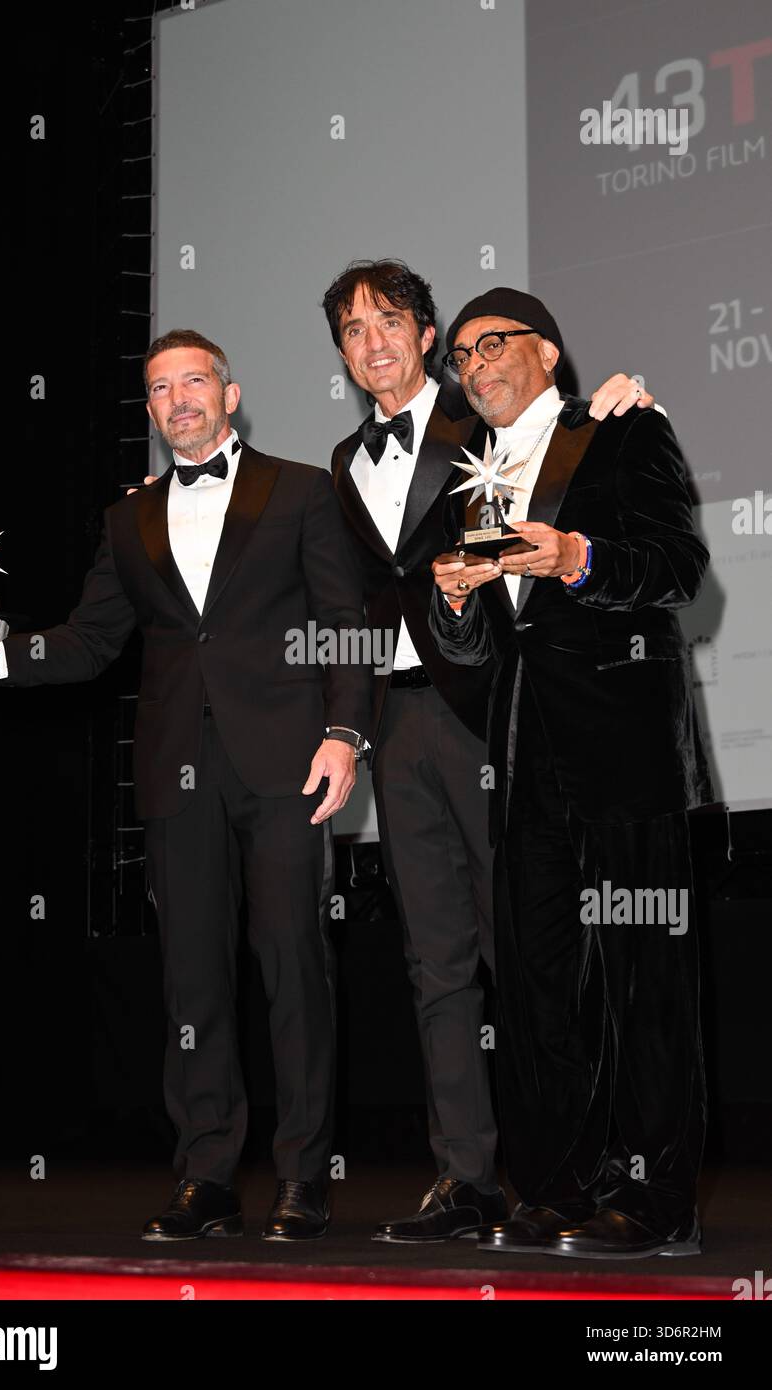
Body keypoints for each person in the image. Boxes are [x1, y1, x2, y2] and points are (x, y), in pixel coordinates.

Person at [0, 329, 371, 1242]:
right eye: (161, 387)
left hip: (289, 762)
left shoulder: (299, 490)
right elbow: (90, 641)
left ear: (230, 391)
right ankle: (206, 1175)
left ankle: (303, 1176)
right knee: (192, 982)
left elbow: (344, 620)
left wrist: (343, 734)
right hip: (177, 776)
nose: (178, 398)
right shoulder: (126, 519)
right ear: (151, 408)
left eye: (194, 381)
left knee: (294, 968)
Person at [322, 260, 658, 1241]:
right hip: (399, 722)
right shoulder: (342, 461)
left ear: (428, 334)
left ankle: (581, 1170)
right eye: (350, 330)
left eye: (388, 321)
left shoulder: (489, 419)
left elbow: (579, 462)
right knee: (434, 963)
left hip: (498, 710)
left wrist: (625, 407)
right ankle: (464, 1179)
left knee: (537, 952)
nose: (370, 341)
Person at [430, 287, 711, 1258]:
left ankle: (653, 1196)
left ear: (546, 353)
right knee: (540, 983)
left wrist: (577, 556)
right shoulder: (472, 485)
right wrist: (453, 602)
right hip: (520, 760)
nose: (473, 364)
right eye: (460, 356)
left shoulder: (622, 430)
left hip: (625, 750)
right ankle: (555, 1184)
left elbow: (676, 568)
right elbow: (471, 654)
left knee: (641, 984)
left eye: (491, 344)